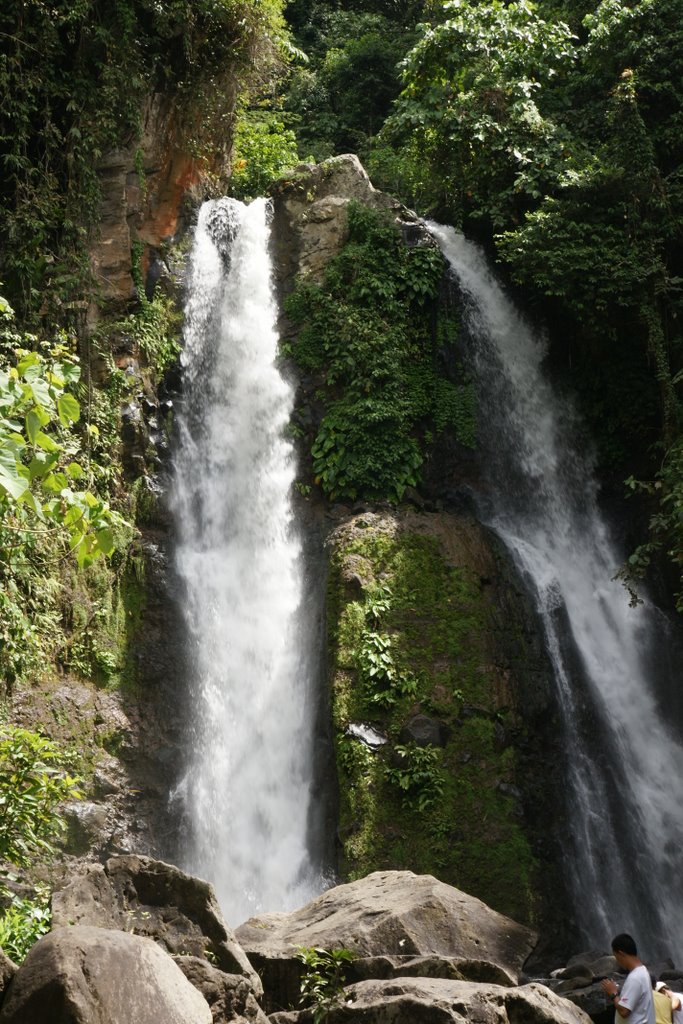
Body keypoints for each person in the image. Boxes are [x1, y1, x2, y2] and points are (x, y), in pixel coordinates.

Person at [601, 933, 656, 1024]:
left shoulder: (635, 978)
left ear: (621, 954)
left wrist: (613, 993)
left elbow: (624, 1011)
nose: (617, 962)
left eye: (616, 957)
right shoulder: (643, 971)